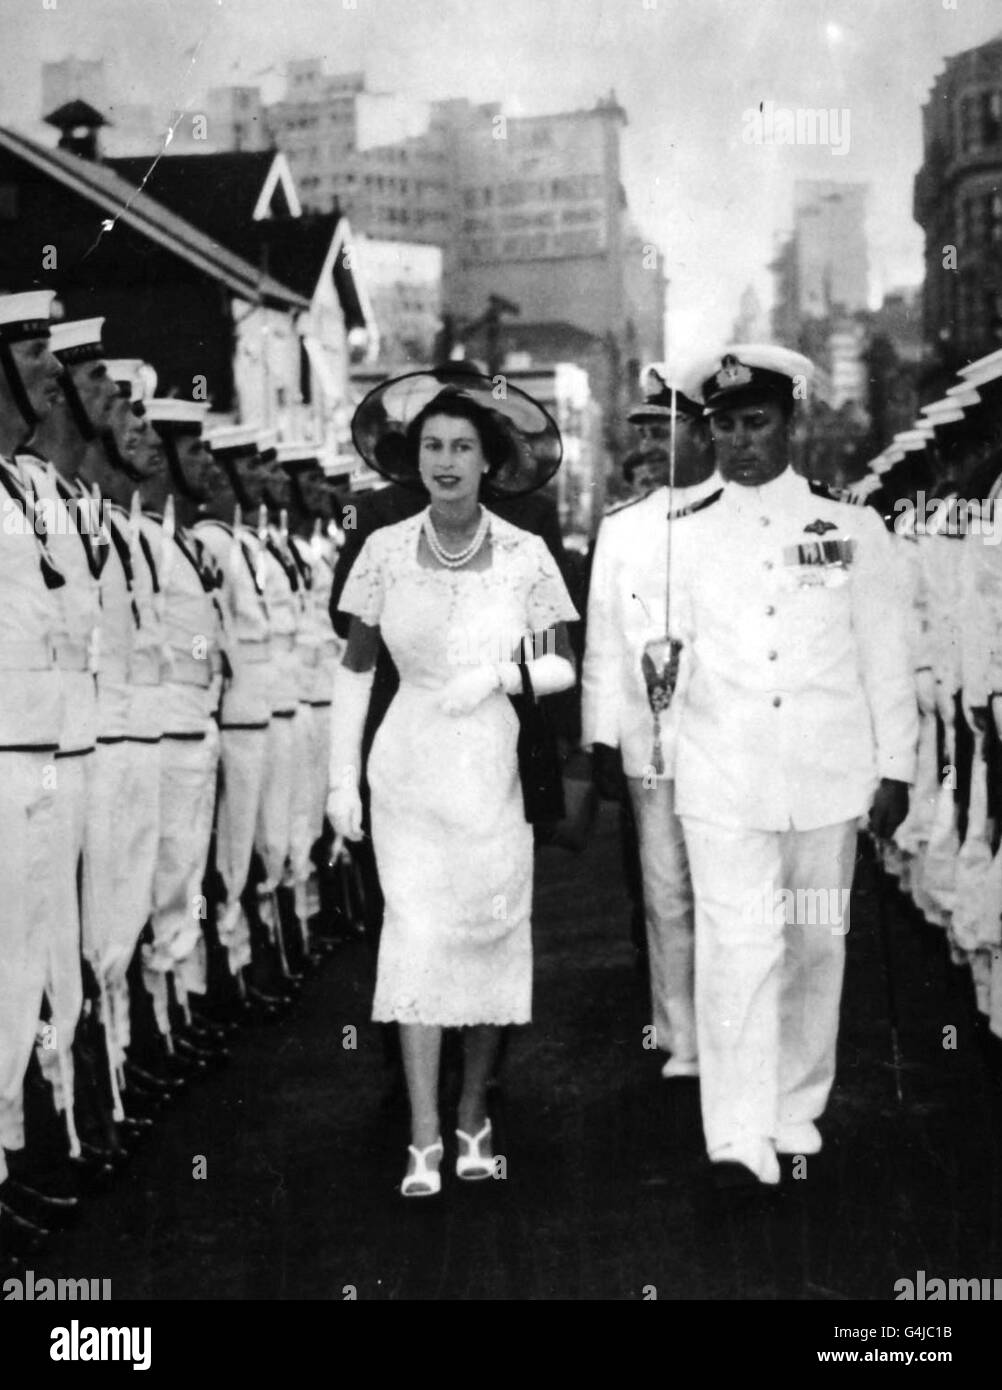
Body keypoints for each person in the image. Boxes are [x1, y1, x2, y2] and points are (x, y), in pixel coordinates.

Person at [666, 345, 917, 1188]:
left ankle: (794, 1107)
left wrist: (897, 768)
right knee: (736, 947)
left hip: (824, 774)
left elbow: (884, 655)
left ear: (790, 422)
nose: (739, 443)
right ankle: (737, 1132)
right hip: (723, 776)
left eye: (755, 423)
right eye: (724, 427)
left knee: (814, 944)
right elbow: (665, 658)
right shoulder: (683, 537)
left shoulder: (850, 528)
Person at [328, 370, 577, 1197]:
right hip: (407, 769)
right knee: (417, 934)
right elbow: (356, 673)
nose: (445, 461)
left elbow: (561, 665)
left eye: (462, 447)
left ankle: (474, 1111)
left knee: (487, 933)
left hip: (492, 768)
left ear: (488, 460)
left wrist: (503, 678)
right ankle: (425, 1134)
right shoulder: (384, 551)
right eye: (432, 446)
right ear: (414, 460)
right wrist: (340, 784)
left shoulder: (526, 552)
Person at [582, 366, 721, 1079]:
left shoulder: (740, 518)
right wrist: (601, 737)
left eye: (660, 426)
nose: (646, 439)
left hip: (728, 743)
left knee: (730, 890)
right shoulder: (623, 528)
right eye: (641, 427)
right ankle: (682, 1038)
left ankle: (737, 1033)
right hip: (651, 741)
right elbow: (604, 640)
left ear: (701, 429)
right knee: (665, 891)